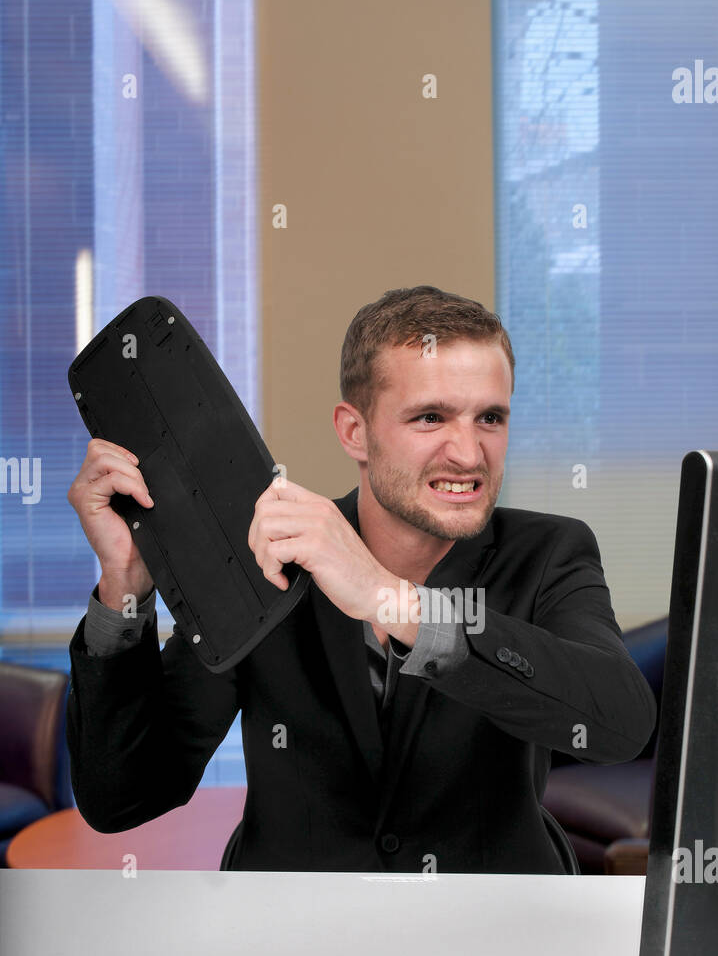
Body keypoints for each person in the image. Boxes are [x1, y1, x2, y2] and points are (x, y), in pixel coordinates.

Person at [65, 285, 655, 872]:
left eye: (490, 418)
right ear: (354, 432)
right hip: (296, 938)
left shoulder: (549, 552)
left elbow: (618, 725)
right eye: (431, 417)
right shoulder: (267, 553)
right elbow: (123, 797)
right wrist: (123, 587)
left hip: (489, 925)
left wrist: (387, 598)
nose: (470, 455)